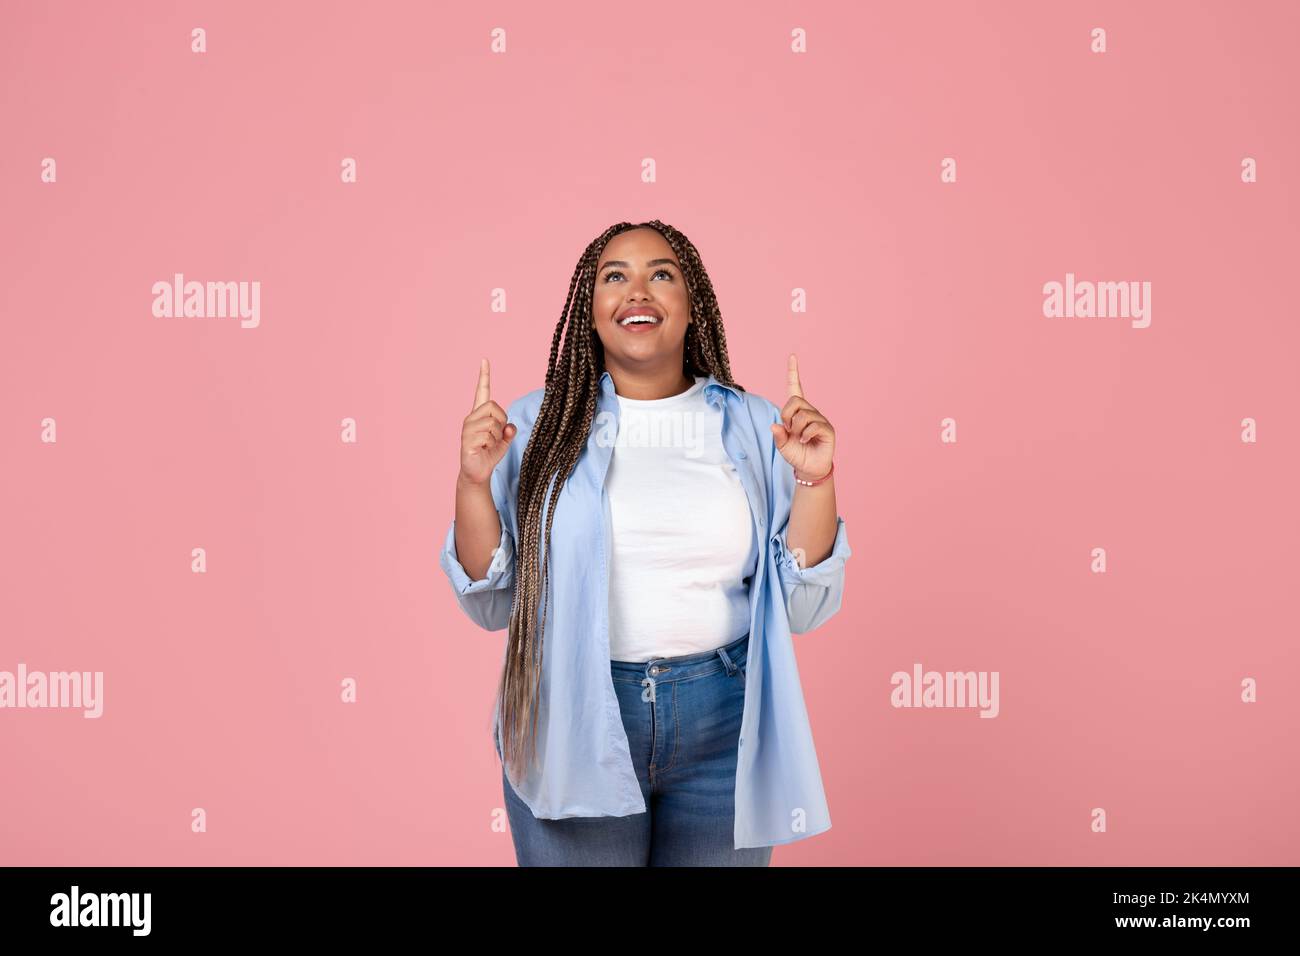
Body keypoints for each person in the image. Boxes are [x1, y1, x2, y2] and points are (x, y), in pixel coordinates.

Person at [440, 220, 852, 866]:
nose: (638, 291)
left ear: (693, 306)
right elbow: (490, 601)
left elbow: (804, 605)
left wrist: (815, 476)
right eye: (614, 277)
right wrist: (472, 483)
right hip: (570, 718)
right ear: (591, 310)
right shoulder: (531, 427)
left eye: (662, 274)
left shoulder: (754, 426)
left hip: (724, 723)